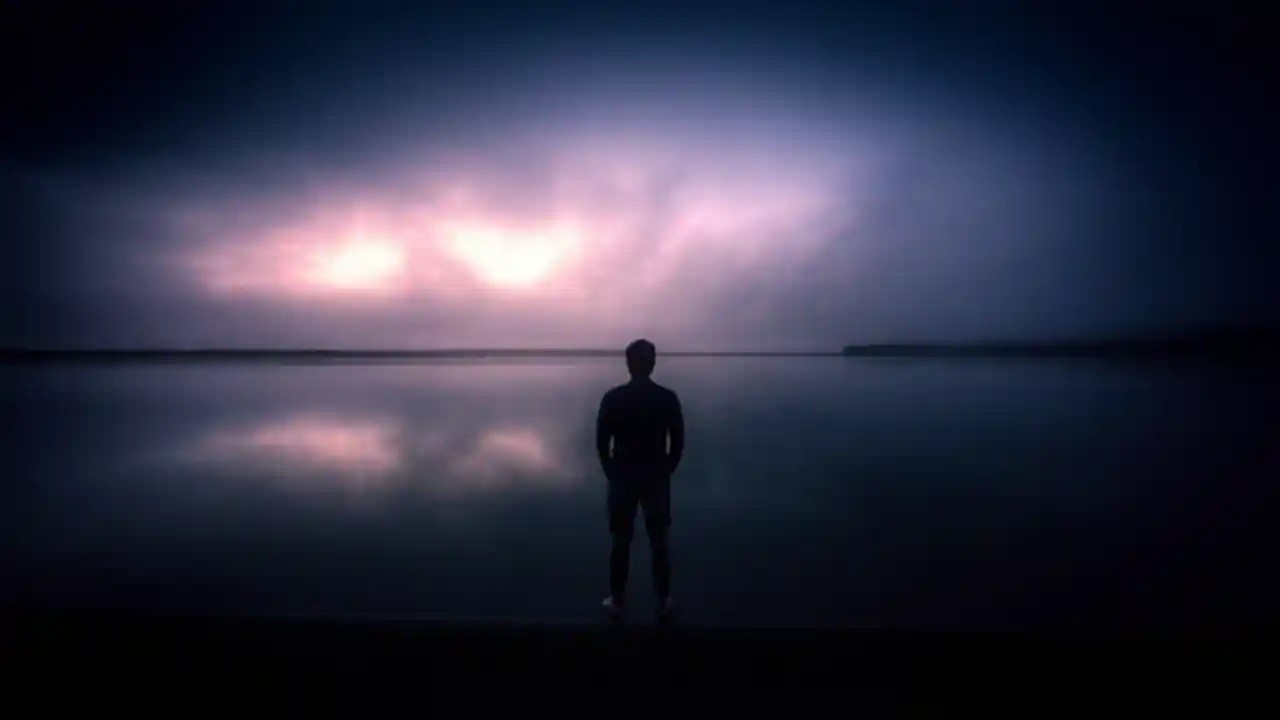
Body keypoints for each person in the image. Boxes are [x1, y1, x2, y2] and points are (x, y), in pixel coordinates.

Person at [596, 338, 684, 623]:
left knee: (621, 542)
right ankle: (664, 601)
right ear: (649, 363)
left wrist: (611, 470)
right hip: (655, 477)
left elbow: (601, 442)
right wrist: (666, 469)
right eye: (652, 356)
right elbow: (678, 442)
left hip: (623, 476)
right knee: (659, 542)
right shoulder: (667, 397)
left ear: (629, 363)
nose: (653, 360)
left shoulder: (613, 398)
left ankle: (617, 601)